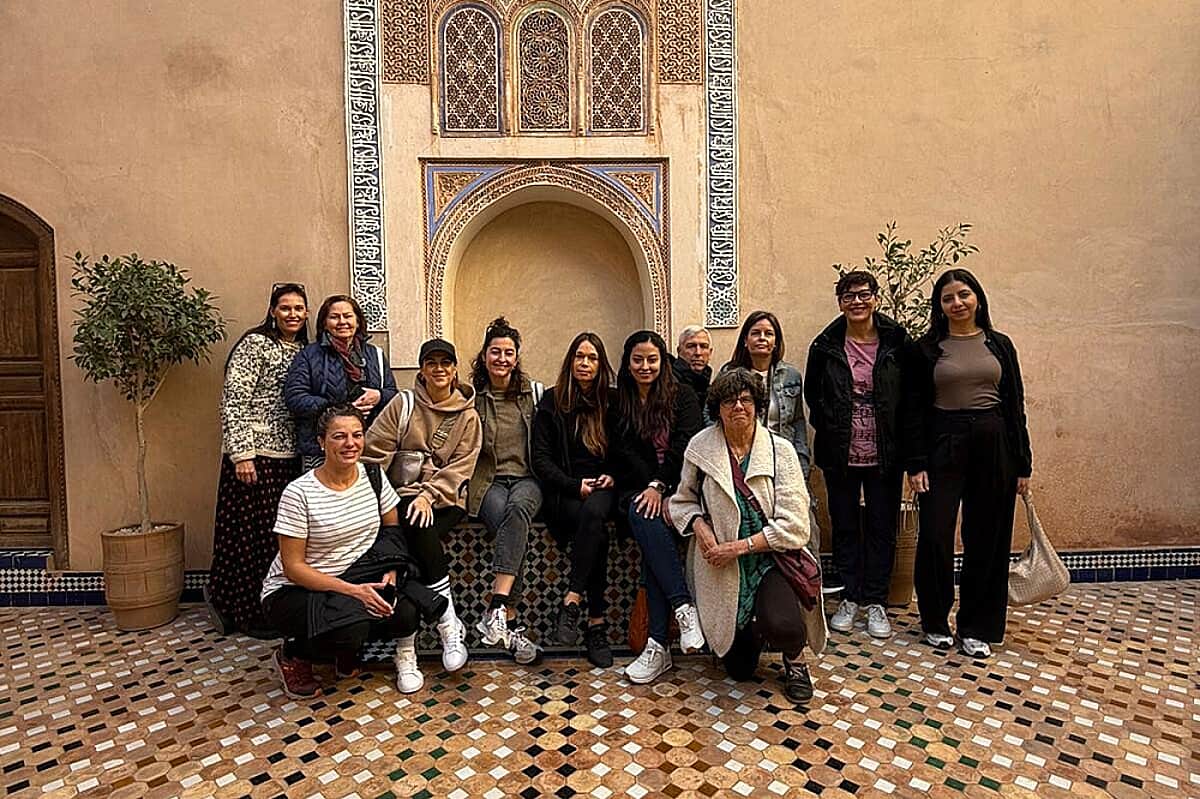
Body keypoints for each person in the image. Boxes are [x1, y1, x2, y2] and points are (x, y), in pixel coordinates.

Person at [260, 405, 442, 699]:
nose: (350, 444)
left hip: (358, 574)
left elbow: (391, 530)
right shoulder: (299, 493)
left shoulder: (373, 475)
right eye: (339, 436)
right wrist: (355, 592)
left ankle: (341, 648)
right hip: (296, 590)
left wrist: (391, 573)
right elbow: (293, 568)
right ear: (321, 441)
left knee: (405, 614)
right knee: (351, 628)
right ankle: (294, 656)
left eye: (357, 435)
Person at [669, 369, 826, 704]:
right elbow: (681, 501)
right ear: (718, 407)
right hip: (721, 566)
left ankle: (795, 661)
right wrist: (700, 527)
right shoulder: (701, 446)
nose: (737, 406)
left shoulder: (780, 451)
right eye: (729, 400)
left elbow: (796, 525)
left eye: (745, 399)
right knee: (739, 668)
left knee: (784, 624)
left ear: (757, 405)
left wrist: (738, 548)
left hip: (771, 559)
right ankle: (752, 627)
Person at [904, 268, 1033, 659]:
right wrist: (916, 463)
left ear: (977, 297)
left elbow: (1015, 406)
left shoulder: (1000, 345)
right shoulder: (926, 349)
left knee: (988, 538)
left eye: (963, 294)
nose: (957, 303)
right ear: (939, 307)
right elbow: (912, 410)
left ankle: (978, 625)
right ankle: (935, 622)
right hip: (944, 441)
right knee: (936, 535)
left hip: (995, 443)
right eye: (948, 298)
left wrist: (1022, 463)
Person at [362, 338, 483, 674]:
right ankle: (447, 619)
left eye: (446, 363)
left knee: (413, 527)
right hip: (399, 496)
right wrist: (386, 499)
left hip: (446, 499)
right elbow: (373, 456)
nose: (439, 369)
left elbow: (462, 466)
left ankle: (408, 645)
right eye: (432, 363)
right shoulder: (402, 406)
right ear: (422, 369)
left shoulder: (468, 416)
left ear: (455, 369)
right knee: (410, 528)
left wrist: (429, 495)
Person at [805, 271, 911, 640]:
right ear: (840, 302)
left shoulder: (897, 340)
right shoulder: (825, 344)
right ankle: (851, 597)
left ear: (876, 298)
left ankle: (876, 601)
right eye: (848, 296)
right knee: (845, 524)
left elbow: (909, 396)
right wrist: (834, 426)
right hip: (840, 452)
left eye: (863, 294)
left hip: (886, 451)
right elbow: (813, 397)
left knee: (882, 526)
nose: (857, 302)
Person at [207, 282, 310, 637]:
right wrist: (242, 455)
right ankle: (243, 611)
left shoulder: (307, 351)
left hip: (289, 458)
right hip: (255, 459)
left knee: (278, 538)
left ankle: (274, 608)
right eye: (285, 308)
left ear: (307, 313)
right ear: (272, 311)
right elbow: (234, 400)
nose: (292, 314)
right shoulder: (255, 345)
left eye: (298, 308)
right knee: (248, 538)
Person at [610, 331, 706, 684]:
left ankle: (658, 646)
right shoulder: (620, 401)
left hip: (682, 486)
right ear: (628, 362)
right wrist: (650, 488)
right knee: (644, 513)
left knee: (653, 528)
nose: (645, 366)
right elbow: (623, 453)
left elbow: (687, 446)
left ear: (663, 361)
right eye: (638, 360)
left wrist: (662, 487)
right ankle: (683, 609)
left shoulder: (683, 396)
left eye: (652, 359)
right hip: (637, 489)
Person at [532, 332, 619, 667]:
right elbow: (541, 459)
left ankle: (572, 601)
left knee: (595, 513)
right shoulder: (553, 402)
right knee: (592, 524)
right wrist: (573, 485)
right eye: (580, 357)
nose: (585, 364)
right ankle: (596, 625)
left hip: (605, 488)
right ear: (570, 361)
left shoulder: (611, 401)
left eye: (592, 358)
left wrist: (613, 474)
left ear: (600, 365)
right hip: (566, 493)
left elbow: (624, 450)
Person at [467, 317, 545, 665]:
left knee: (518, 513)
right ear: (484, 357)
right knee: (508, 523)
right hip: (488, 481)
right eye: (495, 352)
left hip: (528, 479)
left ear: (517, 356)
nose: (501, 358)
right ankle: (510, 622)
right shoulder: (469, 398)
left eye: (508, 352)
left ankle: (497, 607)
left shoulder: (534, 394)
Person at [285, 294, 397, 469]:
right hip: (320, 452)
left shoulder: (375, 355)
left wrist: (379, 395)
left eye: (347, 316)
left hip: (369, 449)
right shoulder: (309, 355)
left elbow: (394, 395)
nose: (342, 322)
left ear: (358, 321)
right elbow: (295, 399)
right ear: (324, 323)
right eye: (334, 317)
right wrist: (341, 407)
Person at [671, 324, 714, 410]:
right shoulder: (670, 383)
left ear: (710, 352)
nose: (698, 353)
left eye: (703, 347)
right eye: (691, 346)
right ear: (679, 351)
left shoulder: (709, 386)